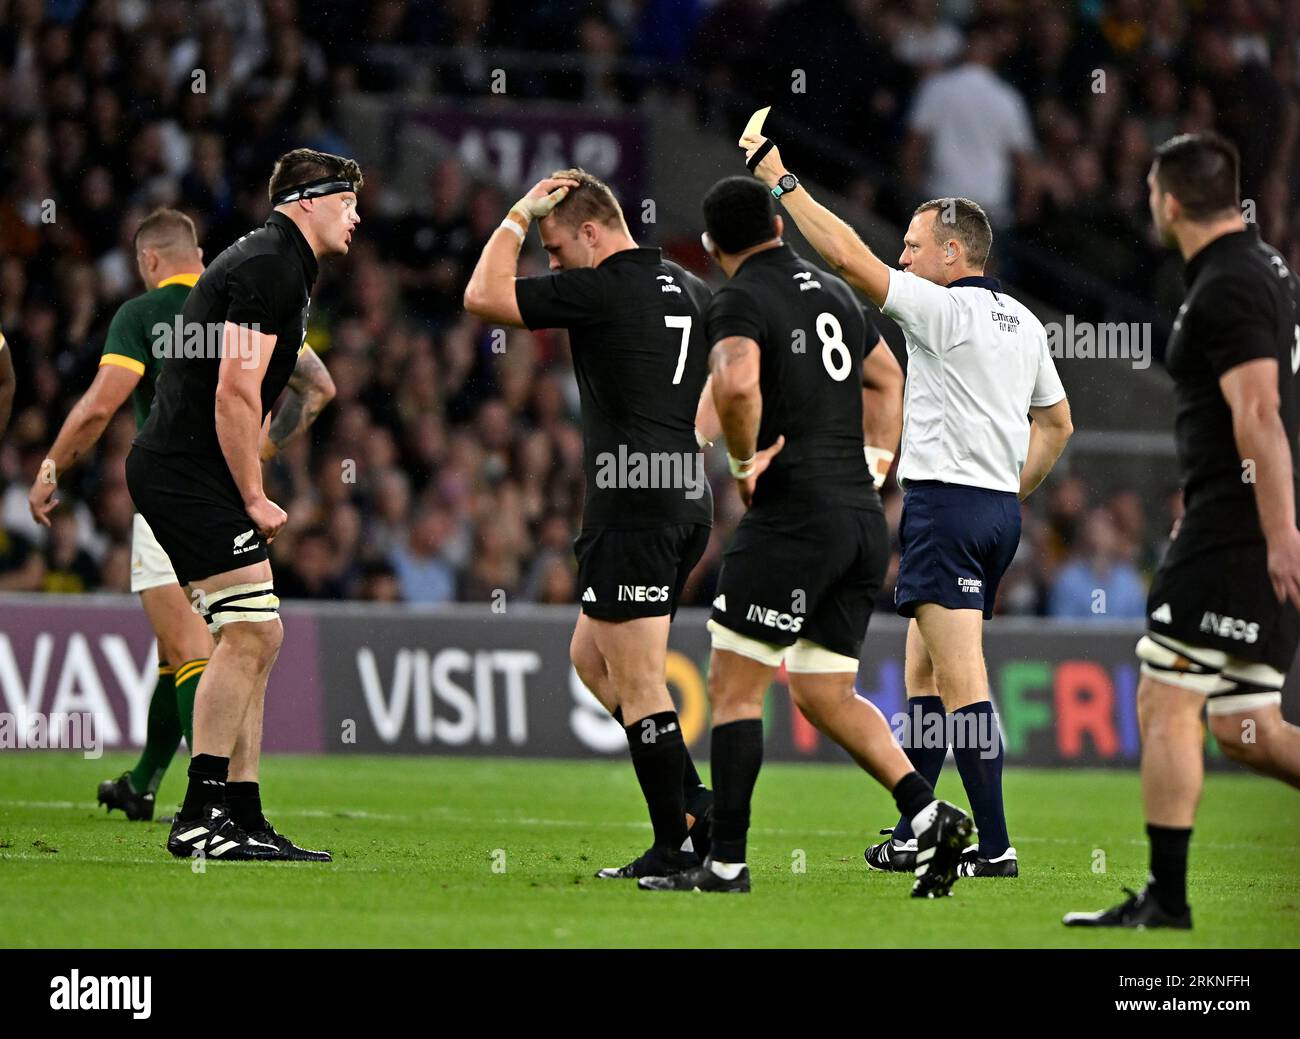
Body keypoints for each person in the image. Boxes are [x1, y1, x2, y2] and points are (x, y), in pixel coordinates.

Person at [741, 129, 1072, 881]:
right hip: (992, 516)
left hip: (948, 512)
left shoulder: (942, 312)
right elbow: (1058, 423)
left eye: (917, 246)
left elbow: (849, 258)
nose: (906, 258)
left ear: (953, 255)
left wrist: (782, 182)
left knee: (962, 680)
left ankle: (995, 846)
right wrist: (1010, 488)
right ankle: (914, 828)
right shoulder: (1022, 322)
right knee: (923, 674)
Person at [640, 176, 973, 898]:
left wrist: (740, 462)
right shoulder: (831, 291)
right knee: (825, 690)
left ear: (712, 248)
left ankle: (724, 862)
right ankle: (926, 811)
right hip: (859, 521)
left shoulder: (737, 295)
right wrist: (876, 466)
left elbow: (734, 385)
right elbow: (889, 377)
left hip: (792, 519)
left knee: (732, 689)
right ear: (780, 228)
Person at [28, 208, 334, 822]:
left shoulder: (142, 315)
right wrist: (255, 454)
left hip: (172, 494)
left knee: (198, 646)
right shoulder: (245, 294)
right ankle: (147, 783)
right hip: (228, 493)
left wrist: (52, 467)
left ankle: (211, 803)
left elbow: (99, 406)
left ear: (148, 261)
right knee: (200, 648)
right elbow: (319, 387)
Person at [1066, 133, 1300, 930]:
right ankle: (1164, 895)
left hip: (1235, 531)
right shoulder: (1263, 267)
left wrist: (1277, 530)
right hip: (1240, 518)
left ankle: (1167, 900)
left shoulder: (1230, 283)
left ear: (1168, 200)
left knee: (1166, 697)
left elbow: (1261, 411)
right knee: (1250, 729)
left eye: (1150, 191)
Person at [464, 168, 715, 879]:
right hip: (684, 499)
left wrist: (515, 214)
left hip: (632, 507)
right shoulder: (694, 290)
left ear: (592, 232)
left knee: (639, 682)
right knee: (589, 655)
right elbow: (736, 377)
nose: (551, 262)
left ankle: (676, 846)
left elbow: (481, 296)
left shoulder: (604, 288)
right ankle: (695, 799)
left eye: (554, 247)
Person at [126, 148, 359, 861]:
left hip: (191, 466)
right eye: (346, 201)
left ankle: (242, 813)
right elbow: (234, 389)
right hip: (185, 470)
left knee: (261, 632)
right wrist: (254, 492)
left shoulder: (278, 262)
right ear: (307, 200)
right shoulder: (270, 265)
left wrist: (307, 401)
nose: (356, 215)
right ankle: (200, 815)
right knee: (251, 633)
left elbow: (293, 378)